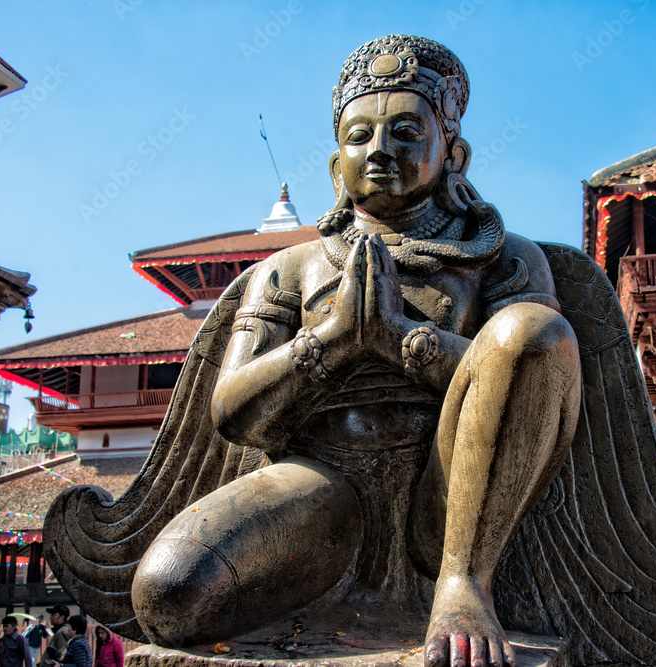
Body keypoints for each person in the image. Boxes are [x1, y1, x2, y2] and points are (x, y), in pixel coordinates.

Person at [131, 34, 581, 667]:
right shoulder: (289, 270)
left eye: (404, 132)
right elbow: (232, 411)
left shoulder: (504, 260)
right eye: (360, 136)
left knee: (532, 332)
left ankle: (463, 584)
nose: (379, 152)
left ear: (453, 154)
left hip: (450, 491)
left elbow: (534, 377)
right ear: (335, 164)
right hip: (317, 488)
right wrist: (332, 343)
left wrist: (402, 341)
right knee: (170, 594)